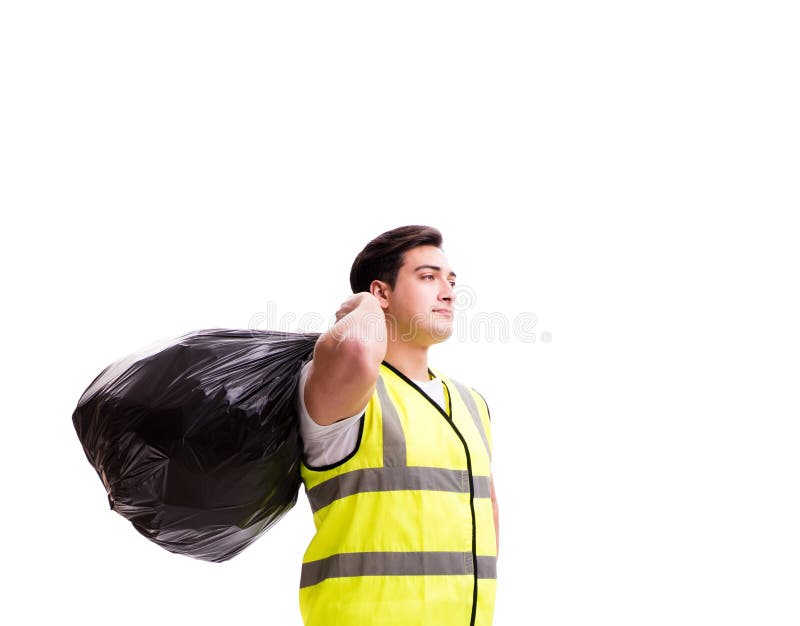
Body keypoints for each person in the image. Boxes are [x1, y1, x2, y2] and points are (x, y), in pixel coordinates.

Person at [294, 225, 499, 625]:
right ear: (381, 293)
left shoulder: (471, 402)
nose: (448, 292)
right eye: (428, 277)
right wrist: (364, 306)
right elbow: (357, 349)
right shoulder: (344, 387)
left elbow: (485, 514)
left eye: (451, 280)